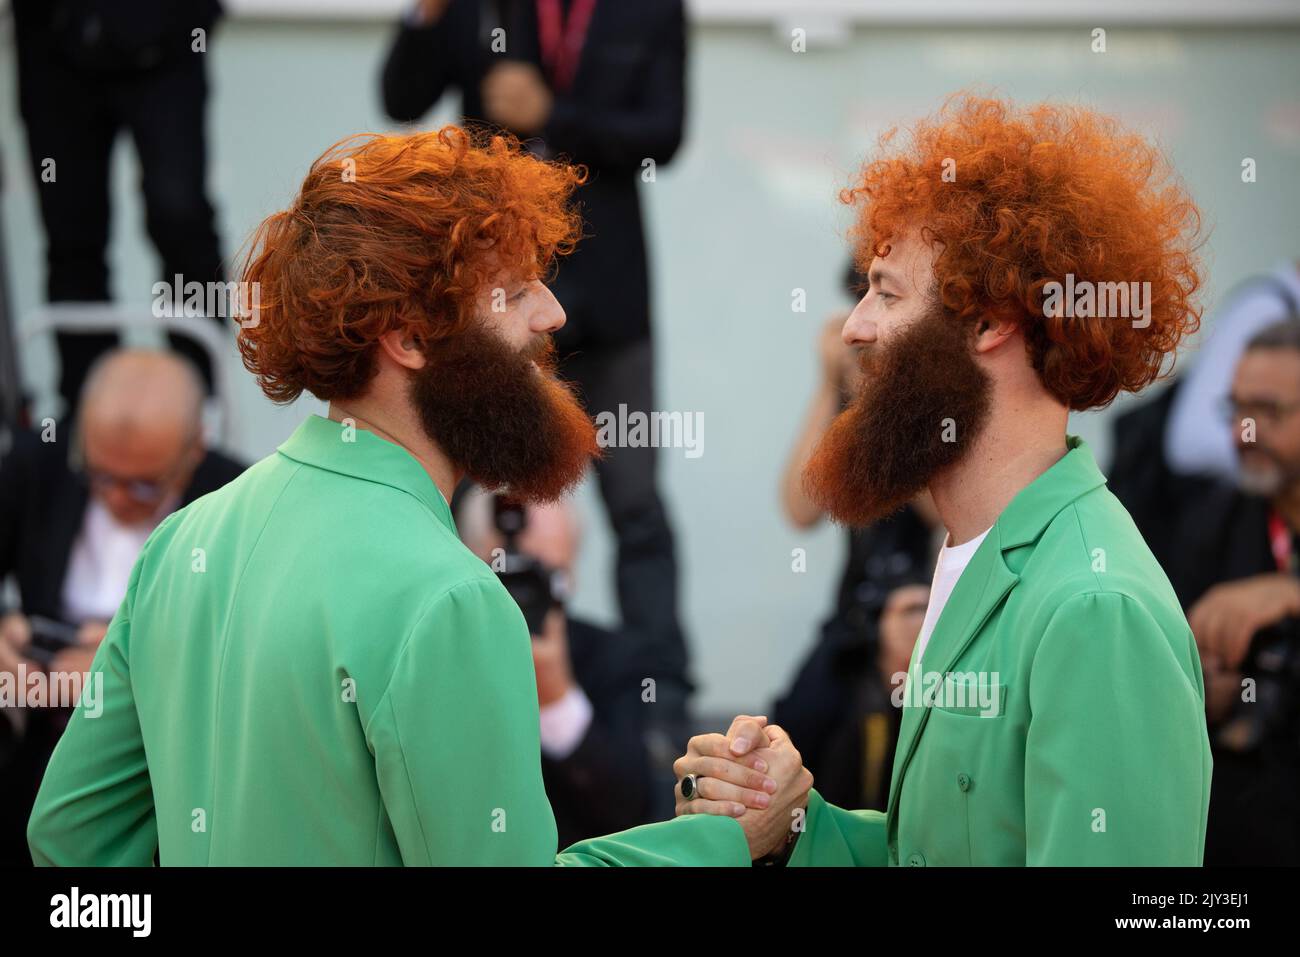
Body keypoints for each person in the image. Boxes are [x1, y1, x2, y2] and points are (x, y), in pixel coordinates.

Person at [26, 127, 801, 865]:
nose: (552, 313)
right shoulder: (449, 595)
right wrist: (724, 841)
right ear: (409, 337)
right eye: (515, 290)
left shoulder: (184, 541)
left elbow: (69, 836)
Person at [673, 95, 1212, 866]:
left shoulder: (1095, 609)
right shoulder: (984, 553)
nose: (854, 327)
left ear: (990, 322)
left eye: (886, 292)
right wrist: (791, 827)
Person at [381, 0, 692, 723]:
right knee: (443, 483)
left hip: (610, 298)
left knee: (637, 505)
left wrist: (556, 114)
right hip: (490, 297)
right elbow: (400, 97)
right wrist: (422, 14)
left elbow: (665, 134)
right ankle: (418, 668)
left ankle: (663, 705)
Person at [0, 349, 243, 864]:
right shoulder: (37, 462)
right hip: (36, 730)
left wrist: (127, 670)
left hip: (169, 757)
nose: (116, 499)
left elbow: (248, 650)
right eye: (99, 476)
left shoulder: (237, 500)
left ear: (194, 448)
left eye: (144, 485)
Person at [773, 273, 941, 810]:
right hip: (852, 618)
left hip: (922, 611)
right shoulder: (858, 378)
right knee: (791, 729)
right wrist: (831, 386)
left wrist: (886, 401)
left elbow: (942, 511)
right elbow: (801, 507)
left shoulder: (937, 390)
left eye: (885, 298)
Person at [11, 0, 228, 414]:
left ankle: (197, 406)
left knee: (181, 216)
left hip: (168, 30)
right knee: (70, 235)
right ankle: (87, 415)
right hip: (52, 39)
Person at [455, 486, 673, 845]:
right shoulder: (436, 652)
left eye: (547, 577)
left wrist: (555, 696)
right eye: (510, 574)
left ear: (571, 574)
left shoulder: (612, 656)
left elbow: (630, 810)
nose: (526, 594)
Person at [1164, 318, 1300, 865]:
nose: (1244, 431)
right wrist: (1199, 686)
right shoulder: (1210, 522)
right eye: (1236, 409)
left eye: (1268, 412)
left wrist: (1288, 593)